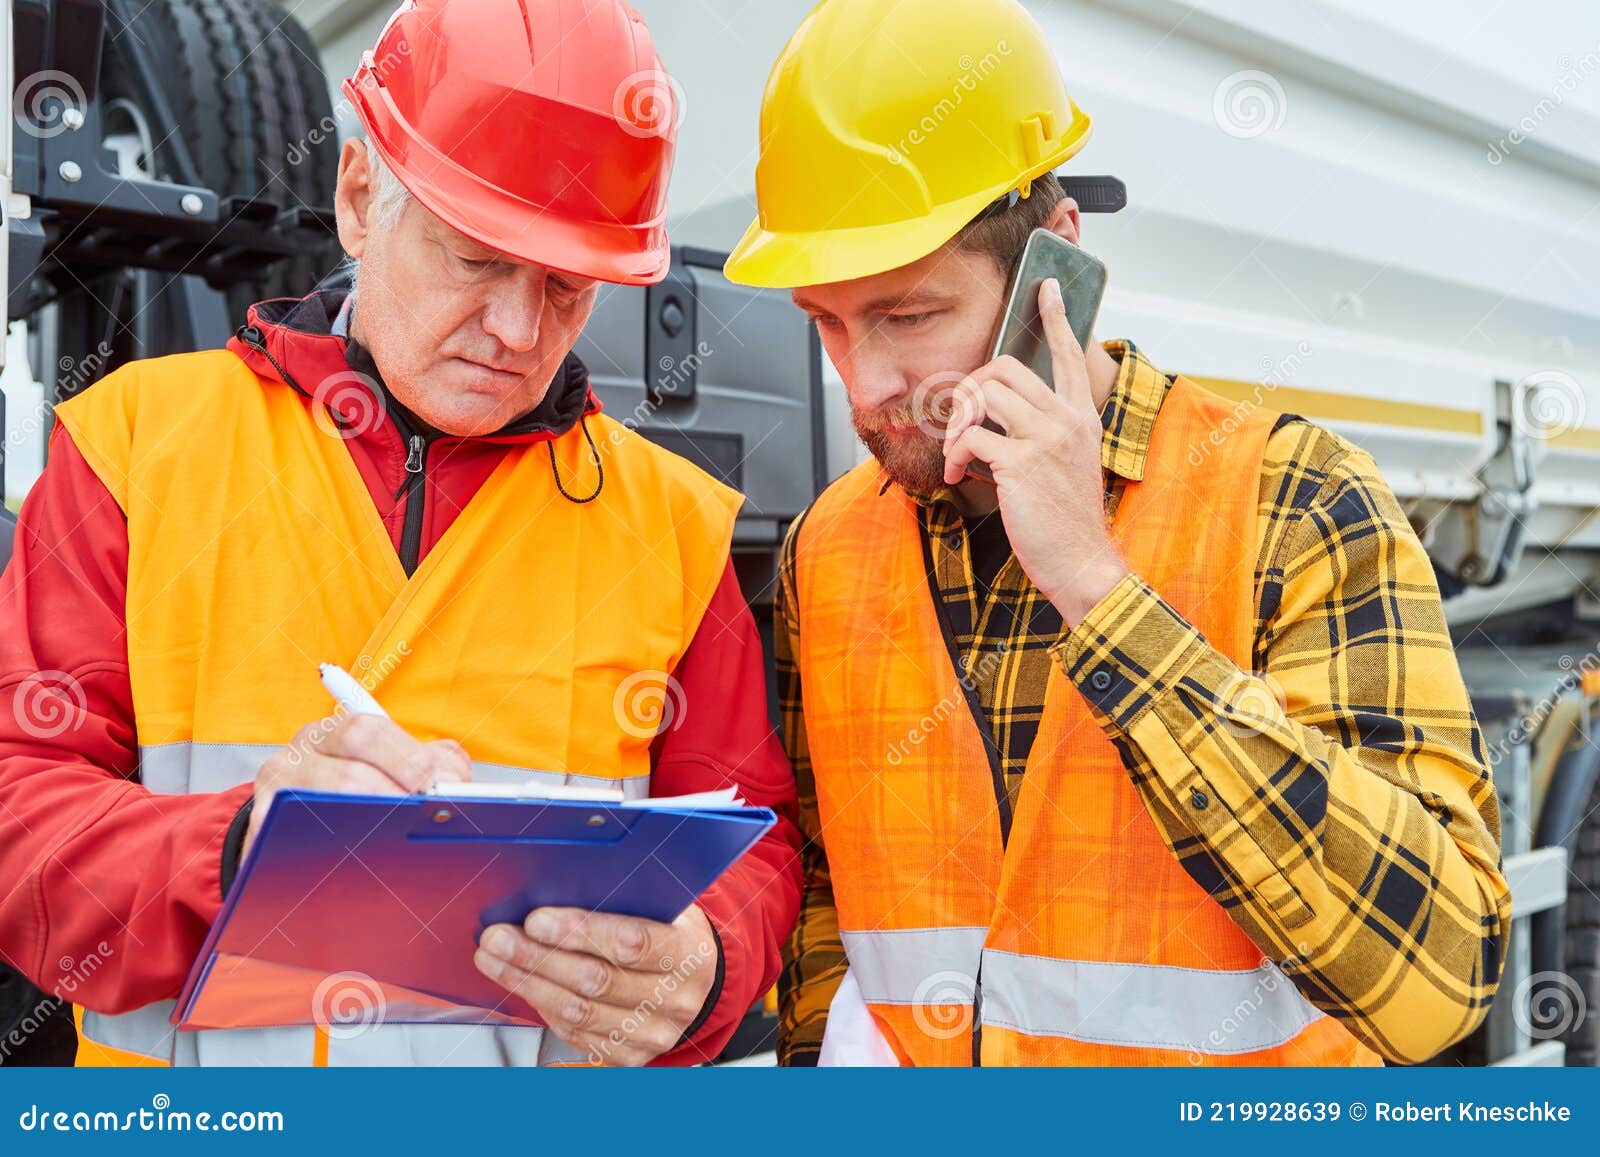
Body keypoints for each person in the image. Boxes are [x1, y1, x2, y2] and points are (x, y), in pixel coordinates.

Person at [0, 0, 800, 1067]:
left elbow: (754, 844)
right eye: (477, 259)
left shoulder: (672, 524)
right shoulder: (137, 448)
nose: (520, 332)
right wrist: (234, 849)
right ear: (361, 198)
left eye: (568, 284)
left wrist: (710, 962)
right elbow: (18, 811)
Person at [724, 0, 1510, 1066]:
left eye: (909, 318)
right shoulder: (828, 548)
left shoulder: (1296, 500)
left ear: (1055, 264)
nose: (865, 386)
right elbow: (827, 940)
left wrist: (1100, 590)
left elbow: (1440, 977)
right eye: (824, 321)